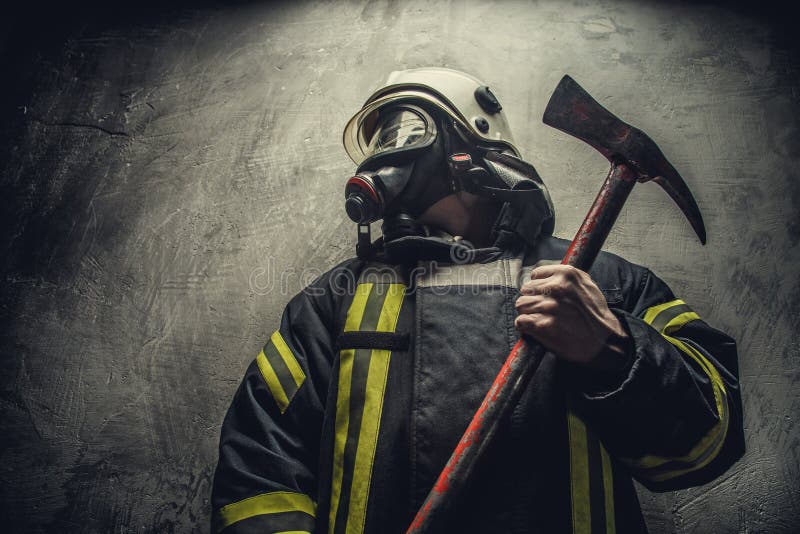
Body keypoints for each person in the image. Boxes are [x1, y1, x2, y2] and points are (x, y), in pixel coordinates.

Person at [210, 68, 744, 534]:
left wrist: (611, 349)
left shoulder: (600, 282)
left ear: (475, 145)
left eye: (409, 130)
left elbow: (708, 443)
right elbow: (257, 474)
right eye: (382, 139)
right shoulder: (331, 307)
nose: (390, 155)